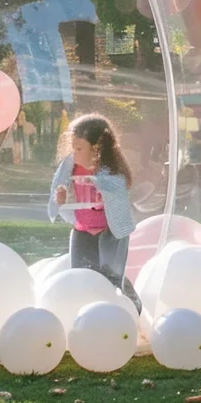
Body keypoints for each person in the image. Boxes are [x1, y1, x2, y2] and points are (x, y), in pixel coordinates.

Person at [48, 114, 140, 311]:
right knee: (80, 274)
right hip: (82, 230)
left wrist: (99, 186)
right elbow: (62, 188)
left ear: (96, 148)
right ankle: (85, 310)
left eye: (79, 149)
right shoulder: (70, 167)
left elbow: (118, 190)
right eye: (73, 148)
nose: (74, 153)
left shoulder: (110, 170)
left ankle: (130, 304)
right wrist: (61, 198)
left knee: (112, 275)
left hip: (109, 232)